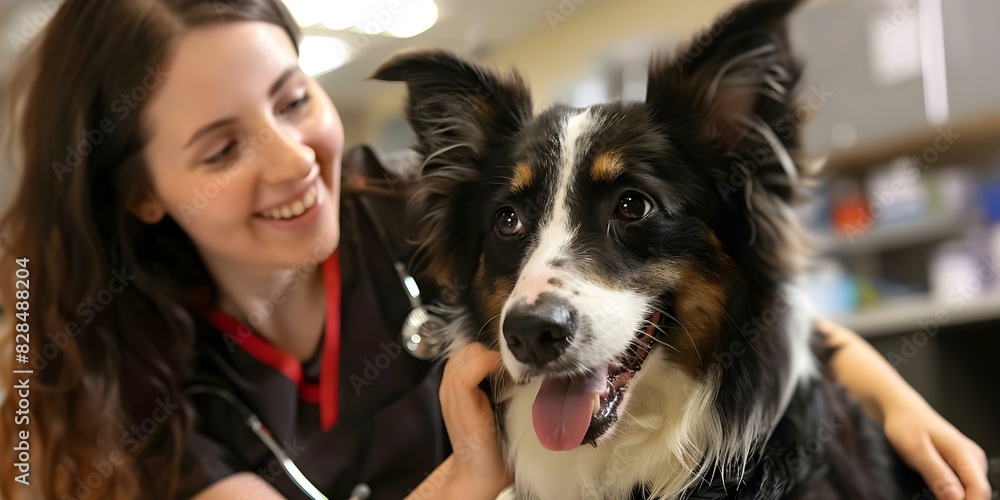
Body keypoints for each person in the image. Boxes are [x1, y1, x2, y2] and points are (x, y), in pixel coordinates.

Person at [0, 1, 989, 499]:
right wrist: (470, 478)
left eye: (294, 98)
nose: (292, 161)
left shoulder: (405, 212)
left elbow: (743, 294)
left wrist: (894, 399)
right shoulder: (118, 377)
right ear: (138, 192)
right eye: (220, 148)